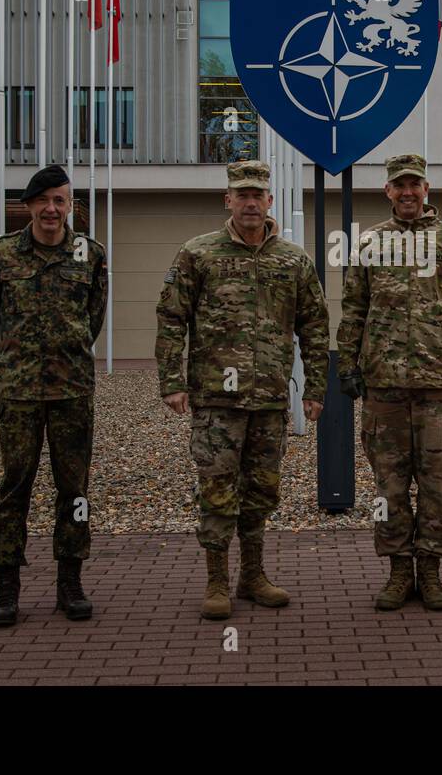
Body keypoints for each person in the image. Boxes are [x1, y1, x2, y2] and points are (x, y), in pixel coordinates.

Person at [156, 161, 329, 620]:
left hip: (269, 398)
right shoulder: (198, 254)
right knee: (216, 487)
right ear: (227, 200)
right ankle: (216, 579)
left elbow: (314, 325)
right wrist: (171, 382)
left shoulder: (293, 260)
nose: (250, 203)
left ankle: (252, 575)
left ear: (269, 202)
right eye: (242, 195)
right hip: (216, 400)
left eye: (258, 195)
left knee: (262, 489)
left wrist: (315, 388)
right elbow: (172, 318)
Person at [336, 153, 442, 611]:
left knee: (437, 484)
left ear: (426, 190)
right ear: (387, 191)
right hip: (384, 386)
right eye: (398, 185)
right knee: (390, 487)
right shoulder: (370, 242)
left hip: (438, 385)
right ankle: (399, 570)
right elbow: (354, 307)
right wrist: (347, 364)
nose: (407, 193)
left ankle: (433, 570)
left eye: (414, 185)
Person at [0, 164, 107, 627]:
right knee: (15, 487)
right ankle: (6, 586)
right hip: (19, 392)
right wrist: (16, 364)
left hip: (72, 390)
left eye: (60, 200)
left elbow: (92, 320)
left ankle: (70, 584)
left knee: (74, 490)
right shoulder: (1, 255)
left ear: (68, 205)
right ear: (30, 206)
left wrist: (65, 356)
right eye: (44, 201)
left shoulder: (91, 256)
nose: (52, 209)